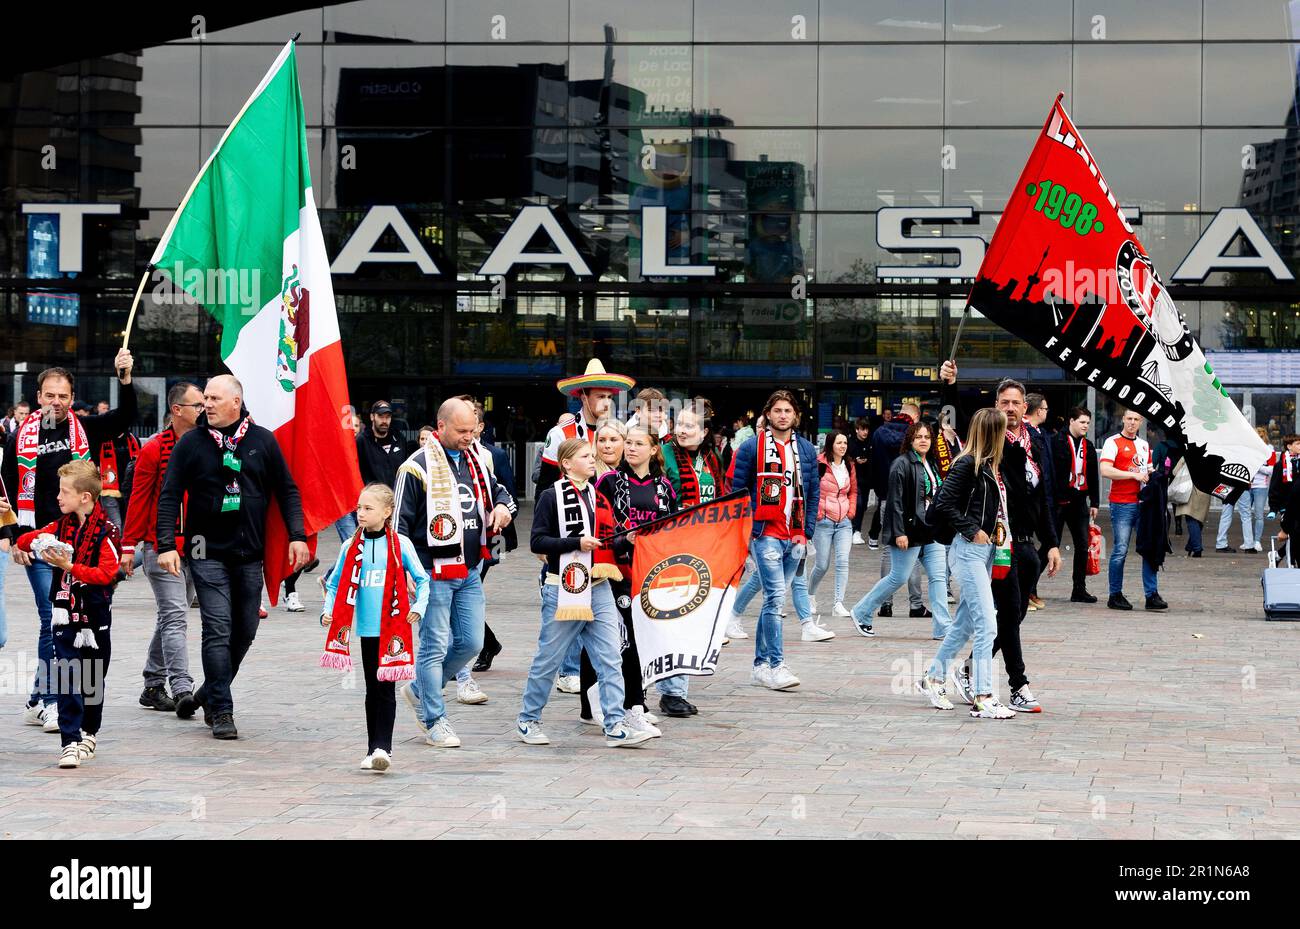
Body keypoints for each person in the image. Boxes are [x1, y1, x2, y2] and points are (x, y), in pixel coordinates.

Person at [156, 375, 310, 739]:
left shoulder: (262, 441)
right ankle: (221, 710)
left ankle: (205, 693)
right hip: (203, 549)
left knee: (245, 630)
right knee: (218, 629)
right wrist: (165, 545)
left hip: (248, 552)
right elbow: (169, 495)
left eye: (214, 398)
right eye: (204, 398)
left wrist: (297, 535)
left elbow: (287, 491)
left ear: (236, 403)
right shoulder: (191, 443)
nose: (206, 404)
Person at [2, 351, 137, 733]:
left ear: (71, 397)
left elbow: (124, 419)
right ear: (39, 396)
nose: (56, 402)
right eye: (49, 395)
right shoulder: (19, 437)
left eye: (63, 396)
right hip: (40, 542)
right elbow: (6, 489)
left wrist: (125, 379)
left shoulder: (86, 429)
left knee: (75, 618)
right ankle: (50, 702)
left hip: (82, 541)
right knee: (52, 617)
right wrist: (13, 538)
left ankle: (36, 697)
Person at [515, 438, 654, 749]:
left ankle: (615, 723)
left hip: (599, 586)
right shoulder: (552, 497)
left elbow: (606, 541)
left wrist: (626, 539)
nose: (593, 460)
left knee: (610, 658)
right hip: (563, 587)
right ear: (566, 464)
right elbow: (538, 542)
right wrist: (576, 544)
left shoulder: (597, 495)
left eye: (593, 456)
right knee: (548, 660)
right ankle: (528, 718)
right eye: (585, 456)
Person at [394, 397, 515, 748]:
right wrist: (410, 577)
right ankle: (434, 719)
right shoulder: (415, 467)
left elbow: (501, 492)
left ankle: (420, 689)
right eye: (462, 431)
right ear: (440, 426)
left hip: (471, 569)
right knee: (433, 647)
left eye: (473, 430)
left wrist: (505, 510)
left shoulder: (476, 459)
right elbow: (398, 529)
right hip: (432, 572)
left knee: (472, 643)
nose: (469, 437)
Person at [940, 366, 1061, 713]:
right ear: (996, 405)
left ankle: (967, 670)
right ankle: (1018, 684)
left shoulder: (1037, 441)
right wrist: (949, 387)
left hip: (1027, 546)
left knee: (1015, 615)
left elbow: (1045, 496)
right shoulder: (990, 440)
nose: (1010, 408)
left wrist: (1051, 542)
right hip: (997, 543)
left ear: (1026, 407)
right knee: (1006, 613)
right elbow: (957, 421)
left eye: (1016, 402)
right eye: (1004, 402)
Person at [16, 460, 122, 767]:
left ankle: (89, 731)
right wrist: (39, 541)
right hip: (64, 616)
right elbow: (27, 539)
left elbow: (106, 574)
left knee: (93, 680)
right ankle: (70, 740)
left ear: (85, 497)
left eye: (65, 492)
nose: (58, 497)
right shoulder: (60, 526)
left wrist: (69, 567)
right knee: (66, 676)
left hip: (95, 616)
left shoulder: (108, 531)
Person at [914, 408, 1017, 719]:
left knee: (964, 625)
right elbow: (943, 503)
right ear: (992, 434)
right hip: (969, 551)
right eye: (1003, 430)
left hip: (982, 552)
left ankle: (933, 677)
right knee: (987, 623)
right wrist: (972, 530)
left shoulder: (987, 465)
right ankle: (984, 696)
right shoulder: (968, 464)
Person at [320, 483, 429, 772]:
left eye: (368, 508)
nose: (361, 513)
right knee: (372, 689)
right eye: (358, 508)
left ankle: (384, 747)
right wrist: (327, 611)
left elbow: (423, 579)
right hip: (366, 630)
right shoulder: (349, 546)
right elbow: (333, 584)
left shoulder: (400, 544)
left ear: (387, 511)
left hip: (393, 630)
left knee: (386, 690)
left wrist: (417, 607)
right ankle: (372, 749)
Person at [582, 423, 674, 735]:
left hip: (650, 574)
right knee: (619, 640)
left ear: (653, 449)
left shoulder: (665, 488)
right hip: (616, 572)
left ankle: (633, 702)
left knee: (642, 641)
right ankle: (608, 703)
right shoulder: (609, 482)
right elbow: (599, 528)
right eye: (629, 443)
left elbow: (672, 531)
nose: (631, 448)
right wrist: (625, 542)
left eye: (638, 443)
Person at [120, 382, 204, 713]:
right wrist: (128, 546)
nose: (204, 409)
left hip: (197, 546)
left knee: (170, 617)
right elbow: (139, 498)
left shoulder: (208, 445)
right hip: (161, 546)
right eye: (197, 404)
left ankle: (152, 684)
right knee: (176, 617)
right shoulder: (154, 448)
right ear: (177, 410)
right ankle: (182, 686)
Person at [731, 389, 820, 692]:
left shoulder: (807, 450)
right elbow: (737, 493)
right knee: (776, 599)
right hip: (765, 532)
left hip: (794, 533)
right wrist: (744, 533)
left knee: (772, 600)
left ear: (796, 415)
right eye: (777, 410)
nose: (783, 415)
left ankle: (760, 666)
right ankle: (777, 664)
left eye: (788, 411)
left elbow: (813, 491)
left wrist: (807, 531)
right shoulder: (750, 447)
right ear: (768, 414)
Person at [658, 397, 734, 712]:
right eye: (680, 425)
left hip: (703, 549)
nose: (684, 430)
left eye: (691, 426)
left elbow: (723, 496)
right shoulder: (662, 454)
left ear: (704, 432)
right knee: (670, 618)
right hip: (668, 547)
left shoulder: (713, 458)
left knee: (690, 620)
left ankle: (675, 691)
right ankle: (666, 690)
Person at [848, 419, 952, 639]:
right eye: (918, 437)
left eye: (927, 437)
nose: (923, 440)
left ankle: (943, 627)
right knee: (898, 577)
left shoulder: (931, 463)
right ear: (910, 440)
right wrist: (899, 532)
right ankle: (861, 611)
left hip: (930, 531)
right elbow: (894, 501)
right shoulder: (901, 463)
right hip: (910, 530)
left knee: (938, 578)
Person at [1100, 409, 1165, 610]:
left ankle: (1151, 594)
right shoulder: (1113, 442)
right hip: (1122, 502)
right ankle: (1115, 594)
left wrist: (1152, 474)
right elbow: (1105, 470)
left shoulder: (1144, 445)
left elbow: (1147, 469)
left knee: (1149, 547)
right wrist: (1134, 476)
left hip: (1143, 503)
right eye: (1129, 418)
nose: (1132, 423)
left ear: (1141, 422)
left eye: (1136, 419)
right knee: (1120, 549)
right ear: (1123, 419)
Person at [869, 402, 926, 617]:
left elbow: (874, 466)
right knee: (913, 551)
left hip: (886, 498)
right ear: (916, 415)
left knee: (888, 551)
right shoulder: (915, 435)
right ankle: (915, 604)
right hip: (913, 500)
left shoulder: (879, 433)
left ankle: (885, 604)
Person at [1050, 406, 1101, 602]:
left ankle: (1078, 589)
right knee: (1049, 543)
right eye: (1082, 422)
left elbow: (1093, 475)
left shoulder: (1087, 445)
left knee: (1082, 545)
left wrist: (1095, 501)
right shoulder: (1057, 442)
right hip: (1059, 501)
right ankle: (1030, 589)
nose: (1085, 426)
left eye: (1088, 423)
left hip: (1079, 500)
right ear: (1071, 421)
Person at [809, 429, 857, 621]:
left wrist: (851, 511)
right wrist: (819, 513)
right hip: (824, 521)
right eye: (839, 443)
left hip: (844, 521)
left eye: (845, 442)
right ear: (830, 445)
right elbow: (811, 489)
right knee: (821, 565)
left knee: (843, 561)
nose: (843, 446)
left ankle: (838, 603)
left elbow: (853, 491)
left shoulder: (849, 465)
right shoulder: (819, 463)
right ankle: (810, 596)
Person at [1023, 393, 1055, 611]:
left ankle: (1030, 588)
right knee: (1027, 547)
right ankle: (1025, 590)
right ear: (1037, 410)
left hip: (1045, 497)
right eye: (1045, 408)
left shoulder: (1041, 433)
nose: (1046, 412)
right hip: (1028, 500)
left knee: (1048, 544)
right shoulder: (1024, 433)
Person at [93, 426, 140, 532]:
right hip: (109, 489)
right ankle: (115, 545)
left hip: (129, 489)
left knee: (126, 525)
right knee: (115, 525)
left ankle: (121, 547)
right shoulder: (101, 440)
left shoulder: (133, 439)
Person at [356, 400, 409, 488]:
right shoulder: (362, 440)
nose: (384, 421)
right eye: (380, 416)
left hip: (397, 496)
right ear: (372, 417)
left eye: (388, 417)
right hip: (373, 498)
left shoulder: (399, 438)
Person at [1246, 426, 1275, 553]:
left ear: (1264, 436)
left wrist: (1257, 466)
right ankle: (1248, 541)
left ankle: (1257, 541)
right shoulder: (1249, 448)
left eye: (1260, 436)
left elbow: (1271, 470)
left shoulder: (1269, 450)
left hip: (1261, 487)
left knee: (1258, 515)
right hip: (1247, 486)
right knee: (1245, 515)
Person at [848, 418, 873, 545]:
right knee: (857, 504)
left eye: (867, 429)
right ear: (857, 429)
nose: (865, 432)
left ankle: (854, 530)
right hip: (854, 479)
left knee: (863, 506)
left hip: (866, 479)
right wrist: (854, 460)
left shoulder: (870, 443)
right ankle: (855, 531)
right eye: (862, 429)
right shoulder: (850, 443)